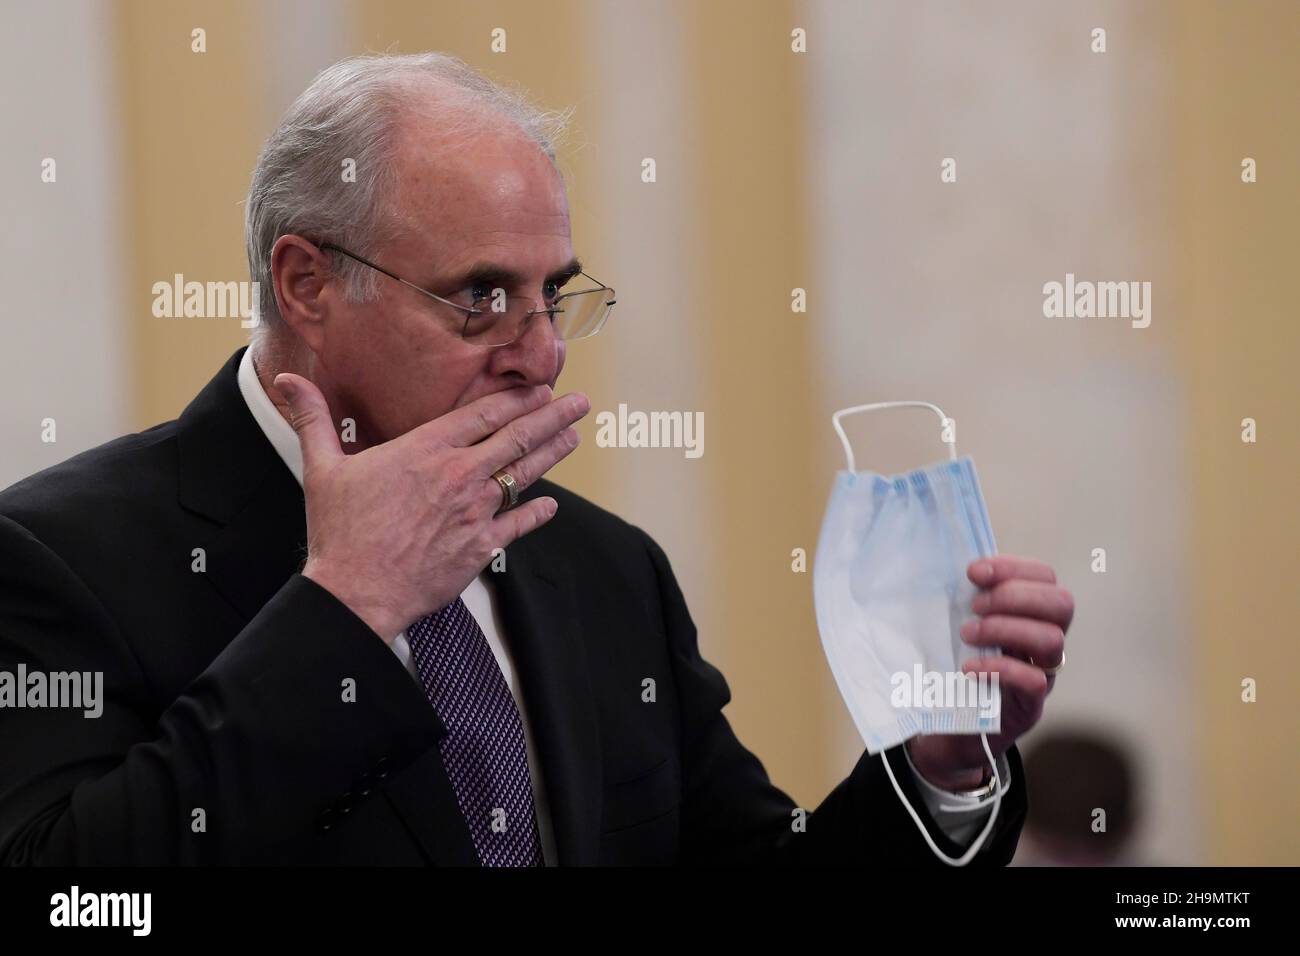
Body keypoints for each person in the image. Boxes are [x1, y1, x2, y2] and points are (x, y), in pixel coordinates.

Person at [0, 52, 1073, 866]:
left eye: (551, 293)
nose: (543, 350)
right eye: (482, 296)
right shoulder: (60, 557)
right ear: (307, 284)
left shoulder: (602, 567)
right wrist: (347, 608)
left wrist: (940, 764)